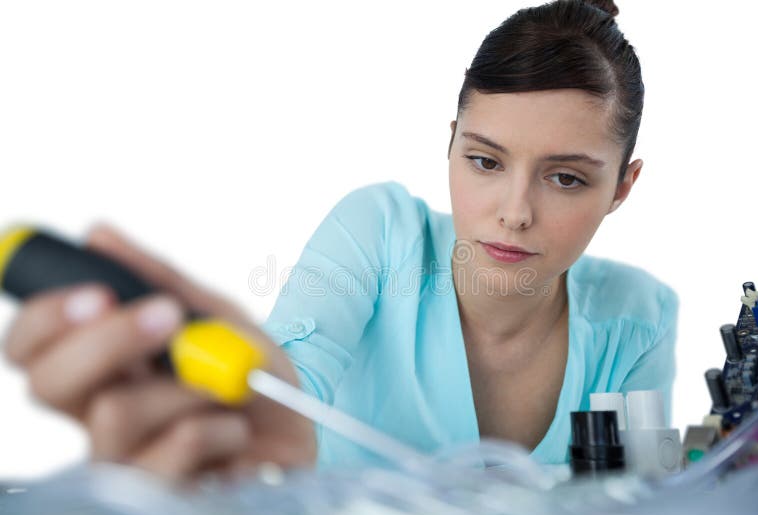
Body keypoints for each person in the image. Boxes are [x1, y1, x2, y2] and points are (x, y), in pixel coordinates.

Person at [2, 0, 677, 482]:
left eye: (565, 178)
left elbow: (644, 506)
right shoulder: (378, 231)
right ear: (450, 144)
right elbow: (288, 379)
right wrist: (233, 410)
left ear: (622, 186)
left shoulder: (639, 319)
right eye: (484, 161)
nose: (515, 212)